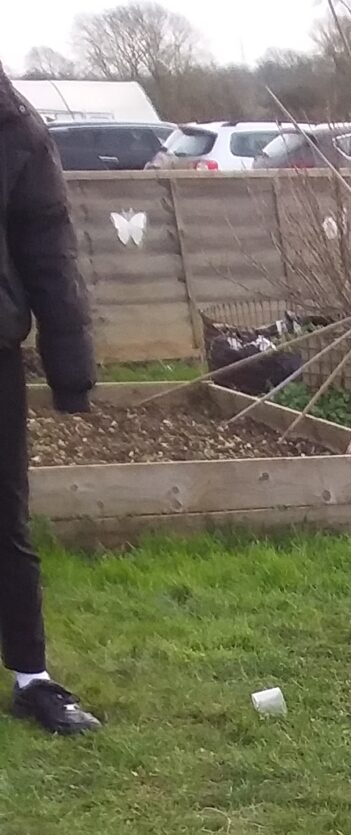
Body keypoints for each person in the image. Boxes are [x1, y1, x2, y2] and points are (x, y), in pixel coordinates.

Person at [0, 72, 100, 735]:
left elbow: (48, 246)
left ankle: (32, 681)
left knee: (4, 523)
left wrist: (72, 372)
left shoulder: (9, 122)